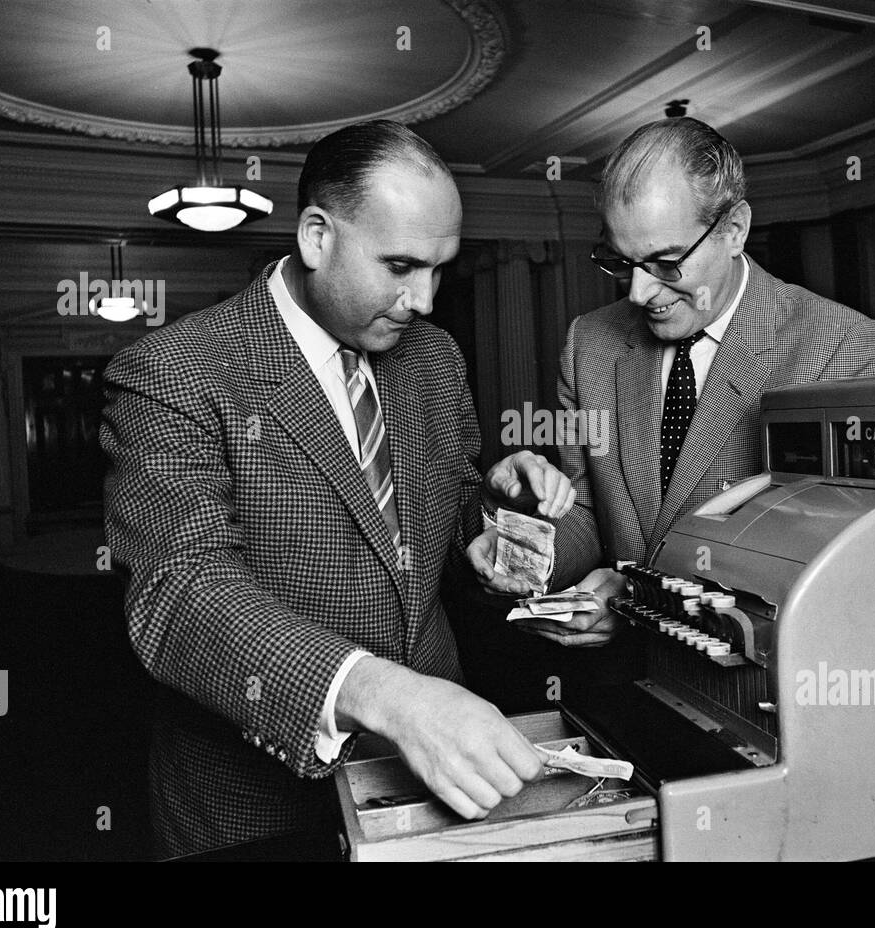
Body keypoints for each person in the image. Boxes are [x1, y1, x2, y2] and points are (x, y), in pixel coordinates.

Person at [100, 120, 575, 858]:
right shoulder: (174, 370)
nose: (423, 299)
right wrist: (386, 696)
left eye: (440, 269)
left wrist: (490, 512)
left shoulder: (435, 359)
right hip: (255, 808)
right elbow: (180, 589)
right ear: (318, 236)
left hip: (432, 788)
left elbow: (433, 531)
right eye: (401, 265)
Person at [469, 117, 875, 646]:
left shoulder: (839, 345)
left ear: (734, 229)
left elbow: (823, 562)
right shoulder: (589, 343)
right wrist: (534, 541)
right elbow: (586, 511)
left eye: (666, 263)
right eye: (623, 263)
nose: (641, 293)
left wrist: (639, 599)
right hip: (627, 686)